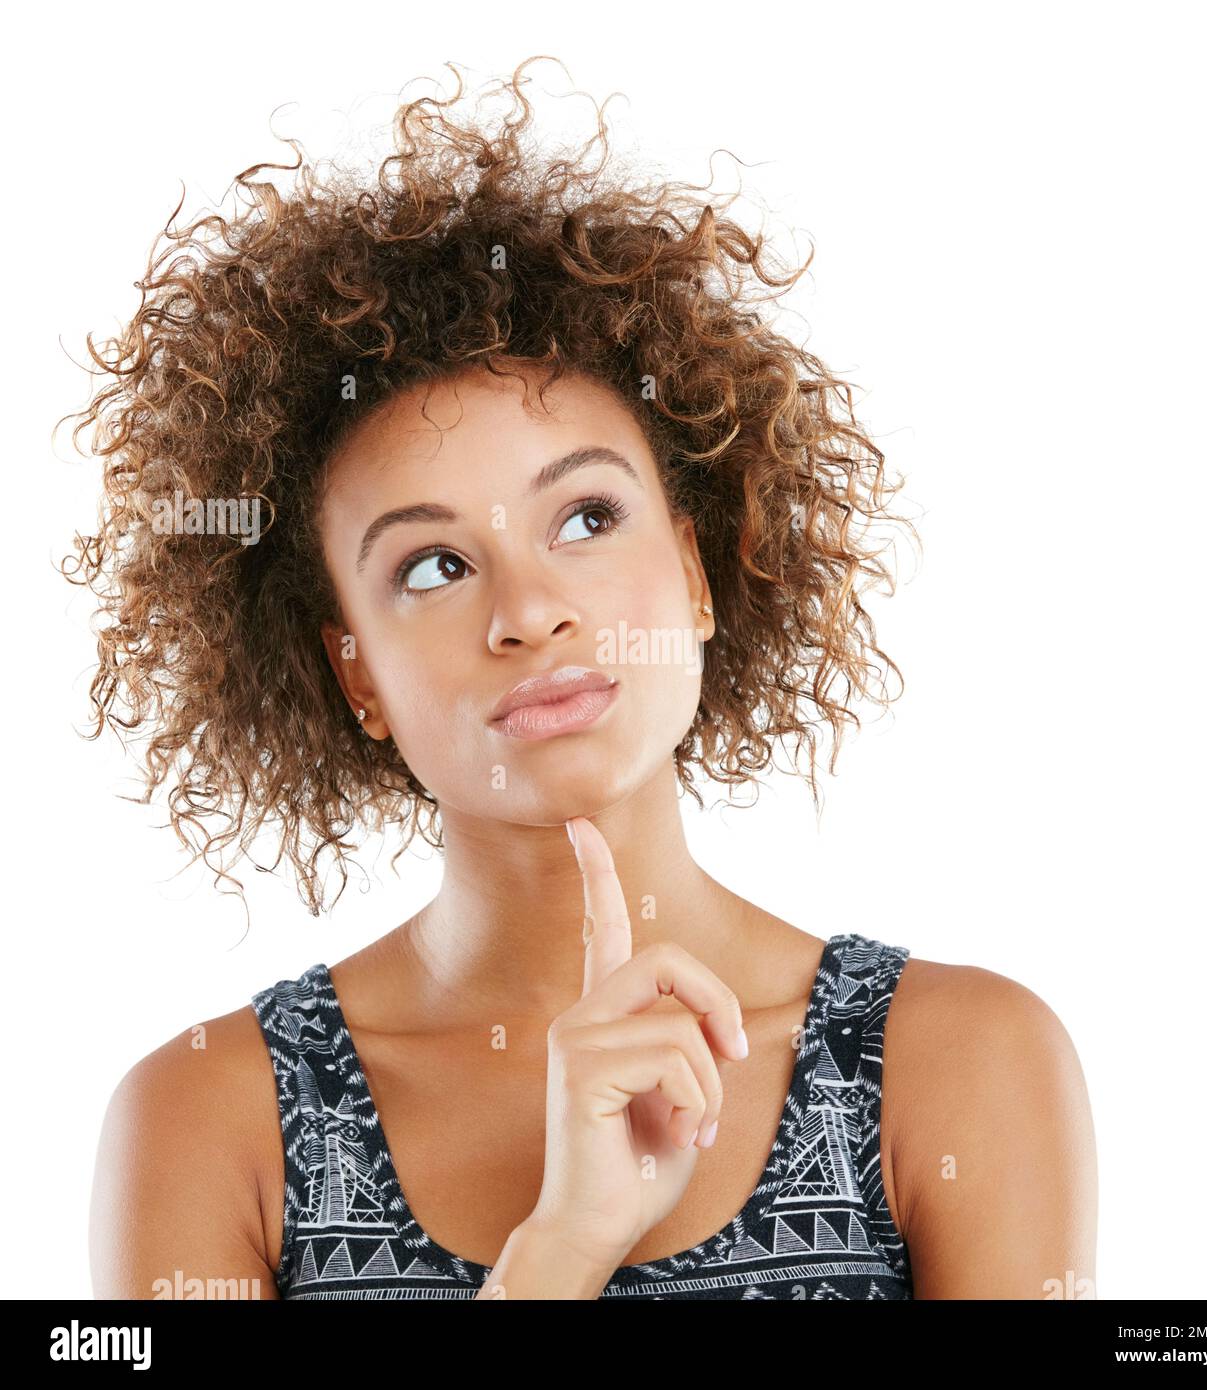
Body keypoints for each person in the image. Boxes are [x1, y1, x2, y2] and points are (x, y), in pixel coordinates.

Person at [75, 58, 1097, 1300]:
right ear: (356, 674)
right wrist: (559, 1250)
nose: (530, 612)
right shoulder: (207, 1119)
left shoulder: (959, 1063)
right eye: (436, 563)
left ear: (696, 571)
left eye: (584, 519)